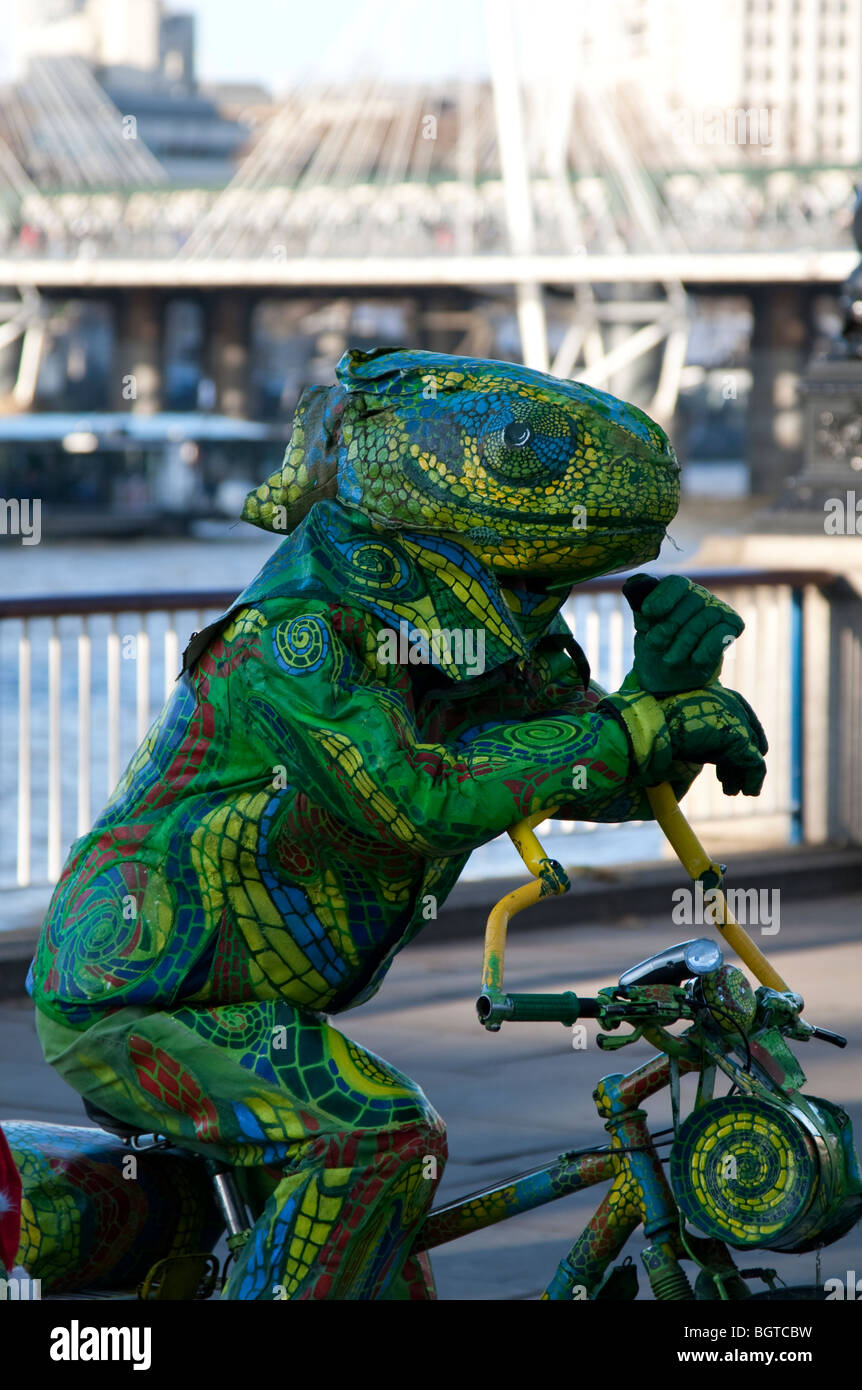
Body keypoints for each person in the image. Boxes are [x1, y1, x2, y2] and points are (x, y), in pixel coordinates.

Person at [24, 349, 766, 1299]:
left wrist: (661, 699)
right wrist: (634, 728)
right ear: (401, 467)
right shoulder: (293, 639)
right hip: (139, 988)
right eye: (521, 453)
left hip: (261, 1001)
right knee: (380, 1137)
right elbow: (418, 796)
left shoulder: (487, 644)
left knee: (379, 1244)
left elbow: (574, 775)